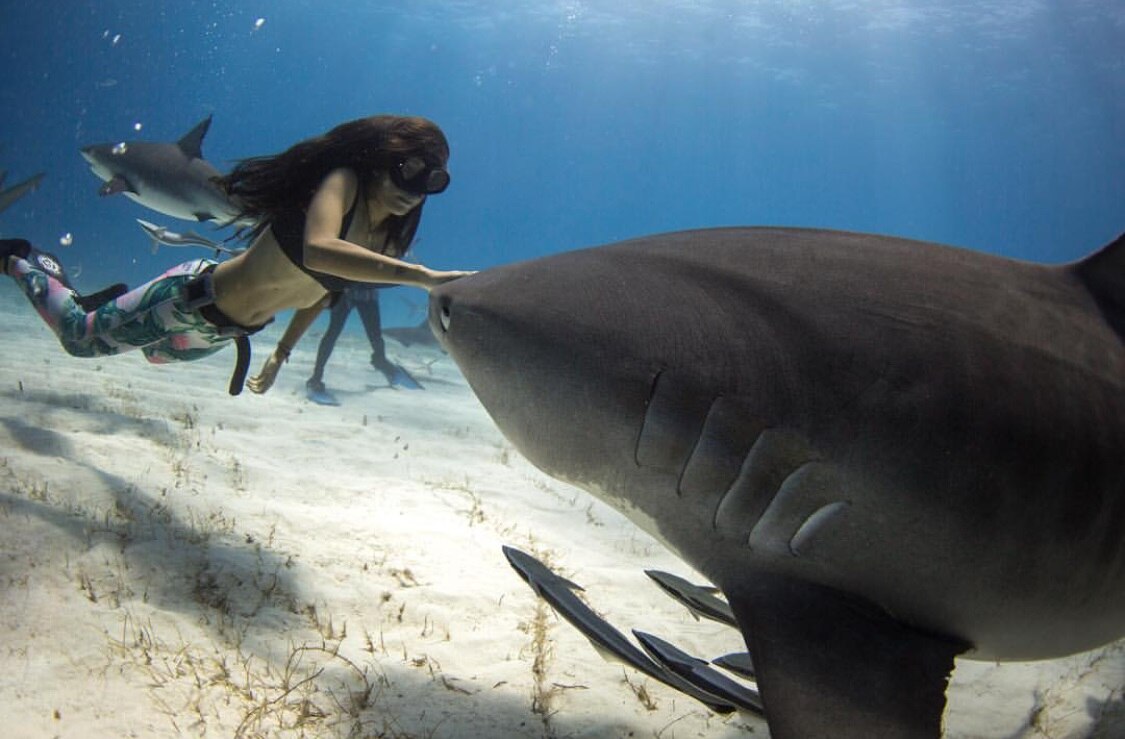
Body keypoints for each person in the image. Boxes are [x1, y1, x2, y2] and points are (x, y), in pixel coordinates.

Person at [0, 115, 470, 395]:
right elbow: (319, 252)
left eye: (434, 181)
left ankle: (109, 305)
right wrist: (422, 276)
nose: (415, 190)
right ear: (381, 158)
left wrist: (281, 354)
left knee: (155, 357)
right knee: (80, 340)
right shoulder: (342, 183)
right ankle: (24, 259)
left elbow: (322, 294)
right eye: (409, 171)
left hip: (225, 333)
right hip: (191, 298)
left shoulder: (383, 242)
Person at [248, 281, 421, 405]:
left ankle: (385, 365)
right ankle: (316, 378)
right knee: (333, 333)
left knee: (375, 336)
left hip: (368, 291)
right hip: (345, 291)